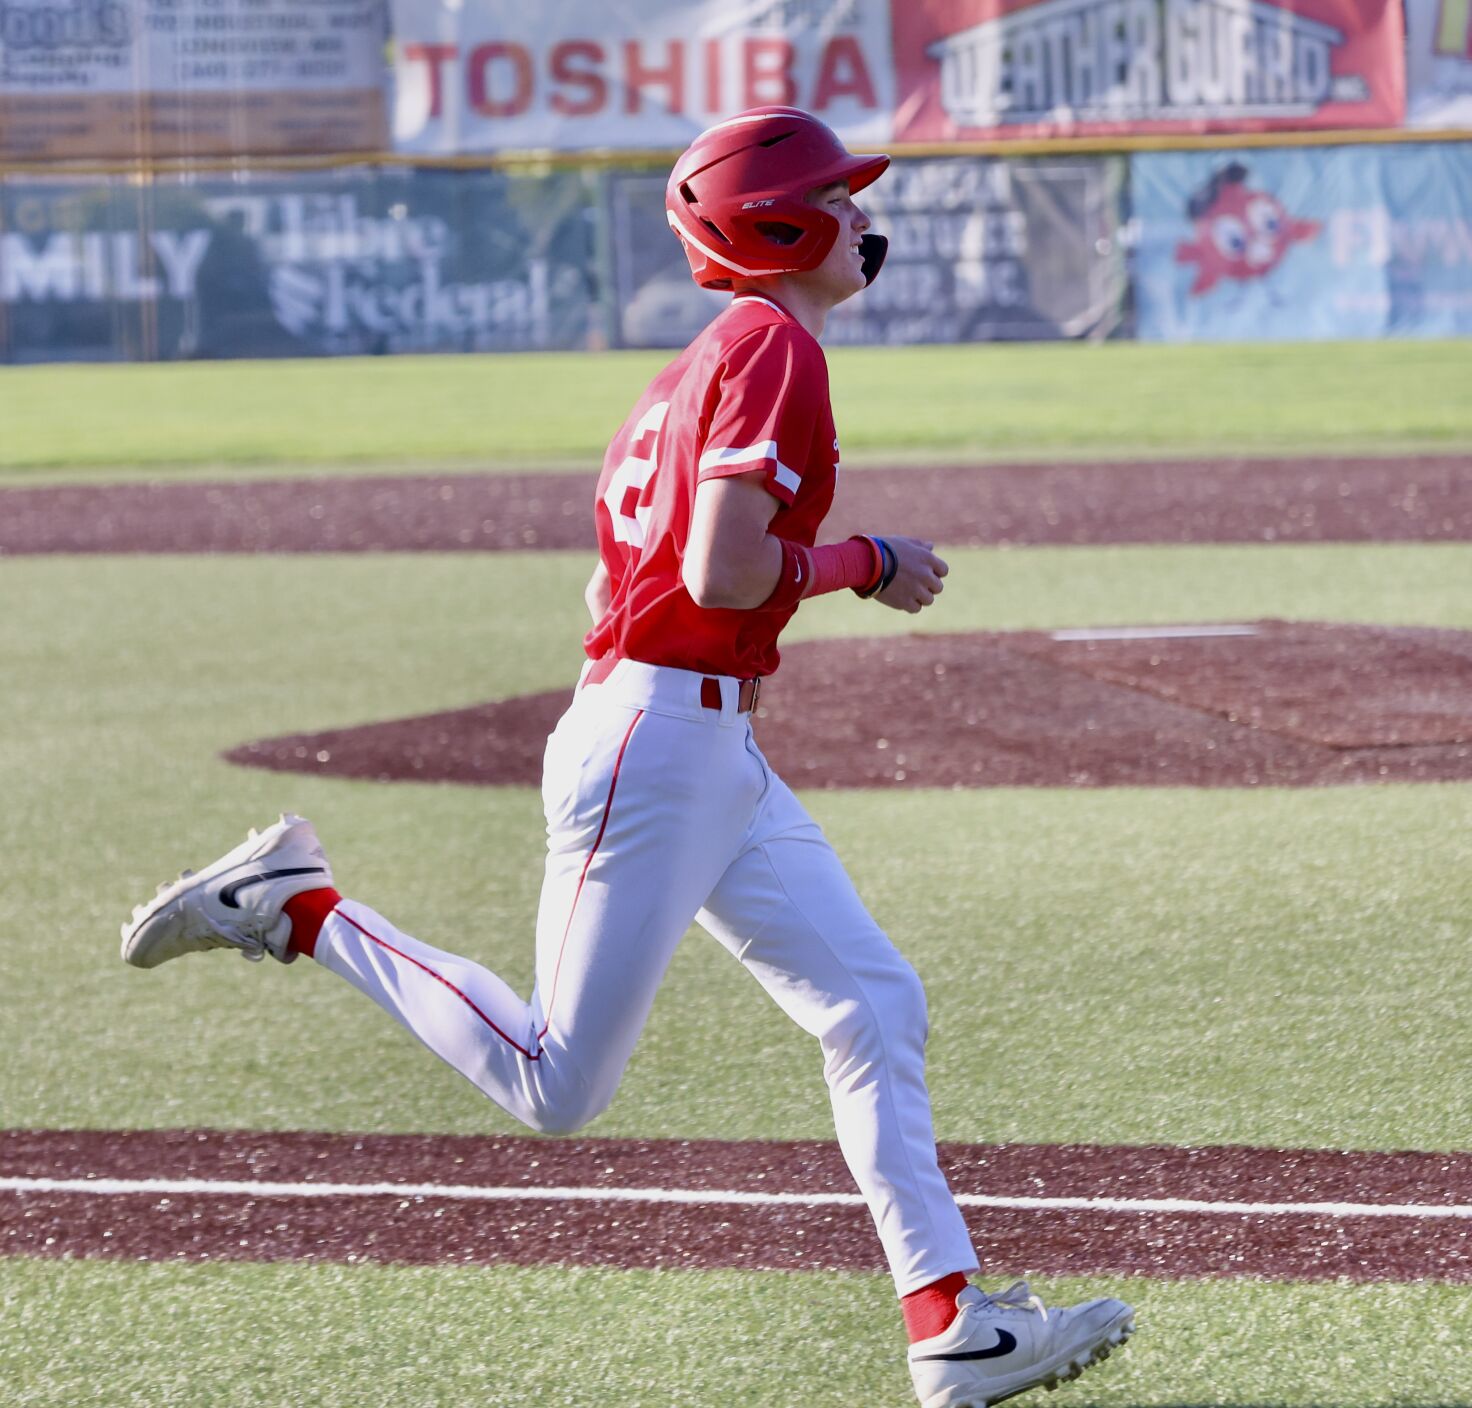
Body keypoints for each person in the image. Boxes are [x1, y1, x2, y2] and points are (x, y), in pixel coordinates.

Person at [121, 106, 1134, 1408]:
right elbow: (720, 565)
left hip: (697, 744)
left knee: (874, 1005)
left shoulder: (709, 359)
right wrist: (866, 563)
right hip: (659, 743)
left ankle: (951, 1324)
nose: (863, 218)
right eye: (839, 197)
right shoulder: (773, 345)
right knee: (555, 1083)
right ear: (776, 225)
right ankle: (301, 910)